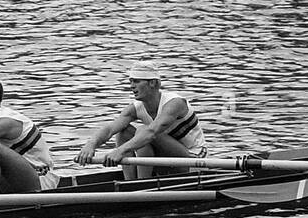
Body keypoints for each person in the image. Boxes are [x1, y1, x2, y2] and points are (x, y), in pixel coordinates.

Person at [74, 62, 208, 180]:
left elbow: (151, 132)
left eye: (137, 81)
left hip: (193, 162)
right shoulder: (135, 108)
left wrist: (119, 151)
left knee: (143, 130)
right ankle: (130, 183)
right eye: (131, 81)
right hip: (167, 161)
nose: (132, 86)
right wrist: (90, 144)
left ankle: (142, 184)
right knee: (123, 131)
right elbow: (110, 129)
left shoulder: (175, 103)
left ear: (153, 83)